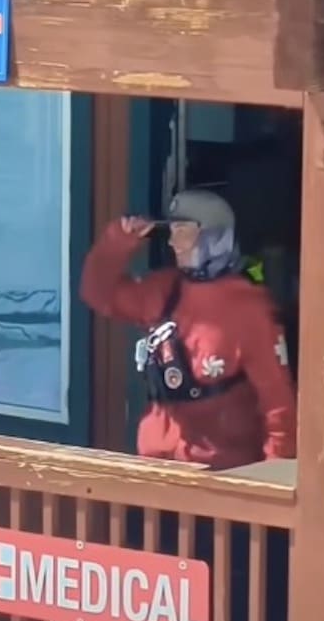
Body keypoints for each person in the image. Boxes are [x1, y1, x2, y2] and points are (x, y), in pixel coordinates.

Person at [81, 188, 296, 469]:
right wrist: (119, 240)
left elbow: (278, 406)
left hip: (222, 476)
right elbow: (97, 293)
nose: (173, 243)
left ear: (213, 238)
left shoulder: (250, 310)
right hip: (156, 467)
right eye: (172, 232)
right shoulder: (163, 290)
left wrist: (273, 478)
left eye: (183, 232)